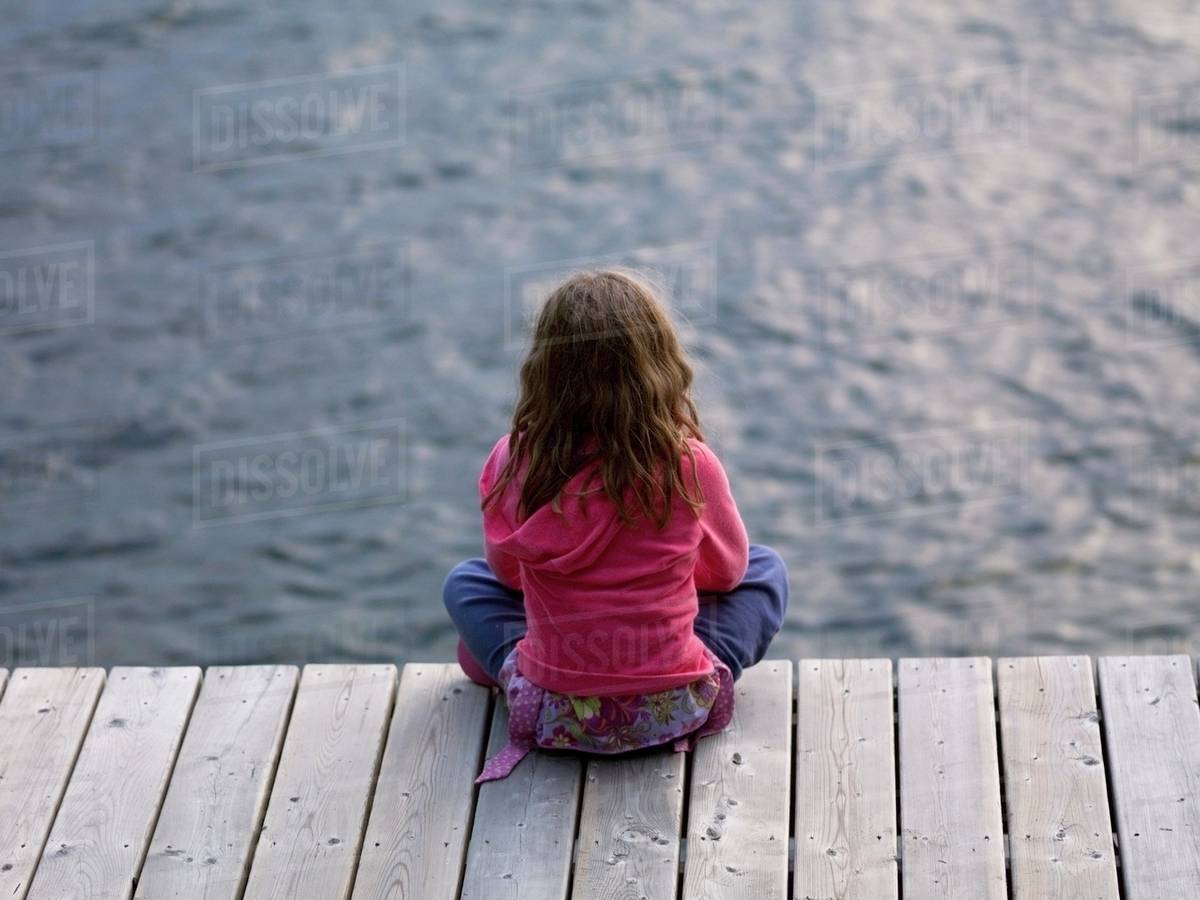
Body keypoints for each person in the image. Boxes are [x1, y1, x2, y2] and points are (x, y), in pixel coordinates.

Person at [443, 269, 788, 781]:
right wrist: (647, 584)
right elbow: (727, 575)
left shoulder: (514, 459)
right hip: (672, 708)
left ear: (545, 371)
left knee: (466, 583)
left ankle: (508, 668)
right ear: (659, 366)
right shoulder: (689, 465)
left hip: (554, 712)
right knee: (766, 570)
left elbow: (508, 575)